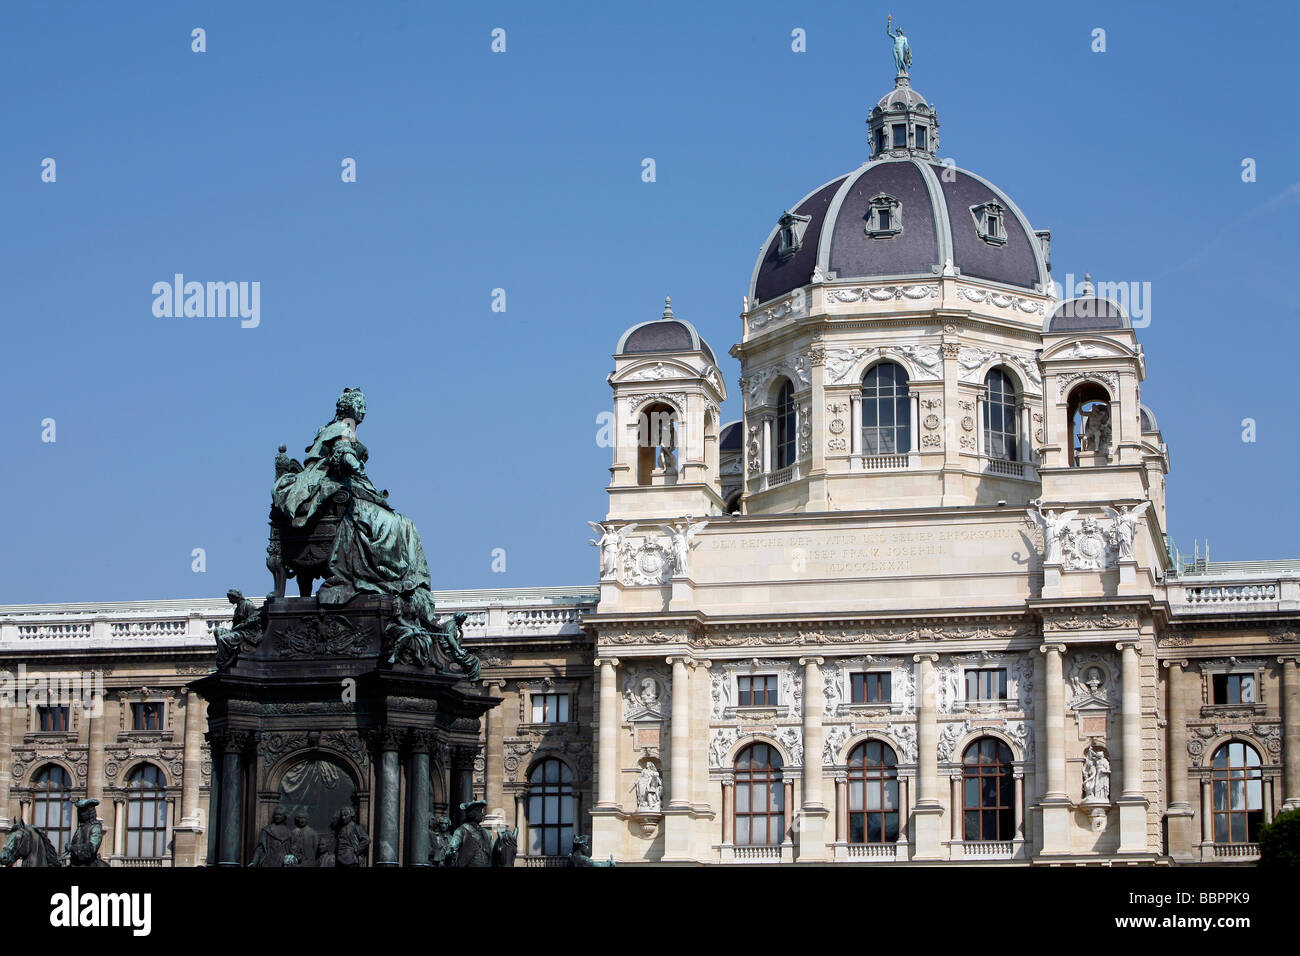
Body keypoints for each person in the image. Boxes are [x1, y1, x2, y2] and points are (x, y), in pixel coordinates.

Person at [446, 800, 495, 867]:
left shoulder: (487, 833)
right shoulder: (461, 831)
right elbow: (450, 850)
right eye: (480, 812)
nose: (482, 814)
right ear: (472, 814)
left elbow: (494, 852)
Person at [66, 799, 108, 867]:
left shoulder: (96, 827)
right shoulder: (81, 827)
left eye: (83, 811)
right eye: (79, 811)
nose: (80, 814)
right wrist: (69, 846)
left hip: (88, 863)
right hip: (75, 862)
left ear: (89, 812)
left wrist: (73, 848)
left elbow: (92, 848)